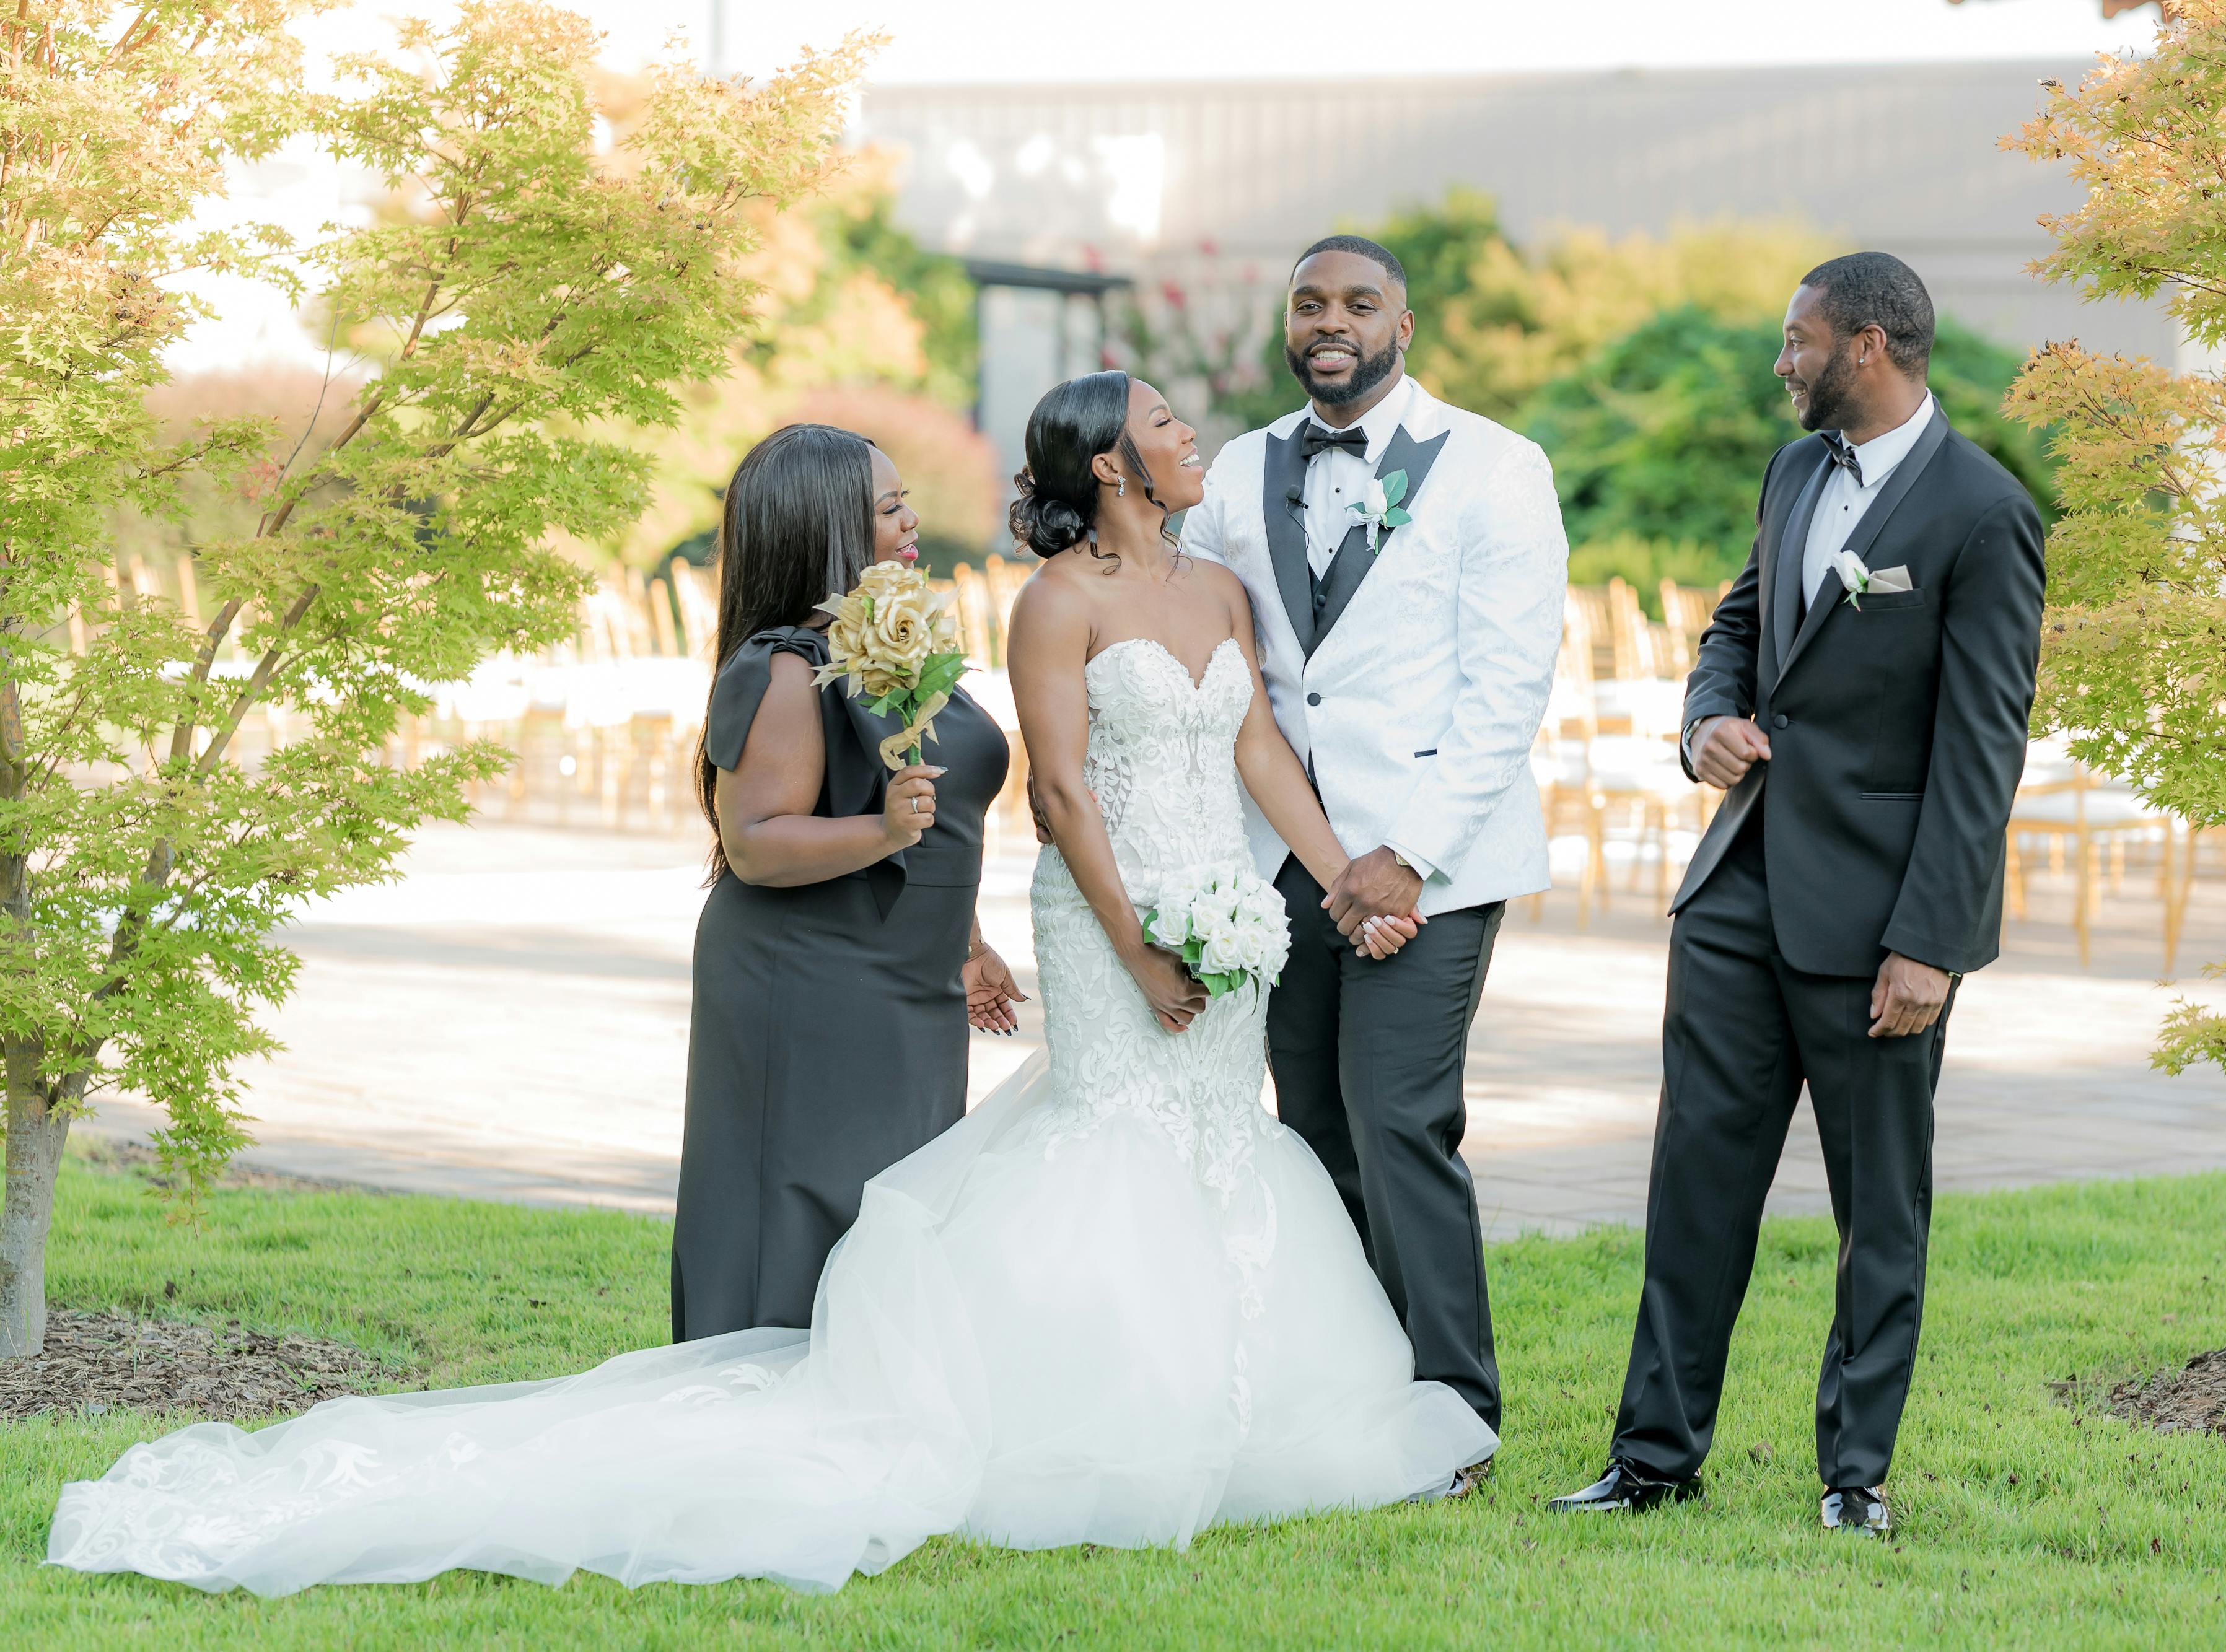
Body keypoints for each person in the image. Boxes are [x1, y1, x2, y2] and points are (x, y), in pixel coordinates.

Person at [46, 375, 1492, 1597]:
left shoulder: (1008, 618)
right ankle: (820, 1391)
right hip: (918, 957)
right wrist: (1096, 927)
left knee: (1057, 1174)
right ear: (1111, 464)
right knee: (938, 1180)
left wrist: (1329, 874)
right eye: (881, 505)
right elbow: (970, 798)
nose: (907, 520)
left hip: (988, 952)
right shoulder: (870, 646)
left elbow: (1152, 768)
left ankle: (1147, 1398)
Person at [1549, 252, 2045, 1537]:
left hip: (1878, 924)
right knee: (1691, 1182)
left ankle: (1852, 1477)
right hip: (1735, 891)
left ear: (1867, 345)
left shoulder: (1981, 512)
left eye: (1795, 338)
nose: (1780, 360)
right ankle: (1652, 1457)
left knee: (1877, 1207)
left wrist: (1930, 942)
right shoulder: (1788, 475)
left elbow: (1980, 750)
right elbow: (1733, 628)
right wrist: (1704, 720)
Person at [1178, 235, 1569, 1446]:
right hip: (1281, 856)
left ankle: (1452, 1407)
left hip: (1430, 863)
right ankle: (1344, 1388)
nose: (1327, 321)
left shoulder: (1497, 467)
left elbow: (1506, 687)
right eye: (1307, 303)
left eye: (1355, 302)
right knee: (1310, 1129)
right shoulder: (1235, 473)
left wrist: (1404, 853)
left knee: (1399, 1118)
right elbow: (1214, 662)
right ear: (1286, 326)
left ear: (1404, 322)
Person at [675, 422, 1022, 1342]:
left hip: (910, 982)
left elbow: (929, 816)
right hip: (809, 979)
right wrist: (877, 830)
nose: (913, 520)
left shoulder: (888, 652)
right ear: (826, 526)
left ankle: (859, 1424)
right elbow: (753, 841)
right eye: (890, 505)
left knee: (890, 1219)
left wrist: (971, 942)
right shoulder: (785, 667)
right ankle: (756, 1424)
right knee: (795, 1218)